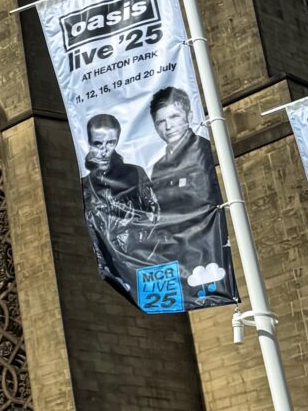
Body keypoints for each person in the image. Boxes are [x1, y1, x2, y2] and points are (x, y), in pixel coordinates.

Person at [147, 86, 229, 292]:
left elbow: (199, 198)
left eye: (174, 117)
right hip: (178, 254)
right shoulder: (158, 167)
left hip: (207, 247)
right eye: (161, 122)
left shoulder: (204, 149)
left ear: (189, 116)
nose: (168, 126)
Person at [79, 112, 160, 293]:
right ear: (89, 143)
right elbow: (91, 231)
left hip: (141, 259)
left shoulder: (135, 174)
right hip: (110, 268)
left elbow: (156, 215)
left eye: (110, 143)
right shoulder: (85, 186)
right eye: (97, 143)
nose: (104, 150)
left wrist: (141, 250)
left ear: (117, 141)